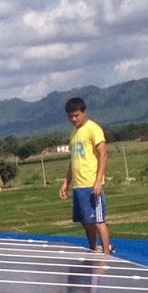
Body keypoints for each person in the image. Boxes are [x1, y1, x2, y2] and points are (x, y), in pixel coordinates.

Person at [58, 96, 113, 254]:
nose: (74, 119)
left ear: (84, 112)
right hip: (78, 184)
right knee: (85, 220)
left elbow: (103, 154)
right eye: (70, 116)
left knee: (98, 220)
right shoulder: (74, 133)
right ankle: (93, 249)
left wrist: (97, 182)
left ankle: (106, 255)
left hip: (91, 184)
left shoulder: (93, 129)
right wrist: (66, 182)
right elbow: (74, 160)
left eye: (76, 115)